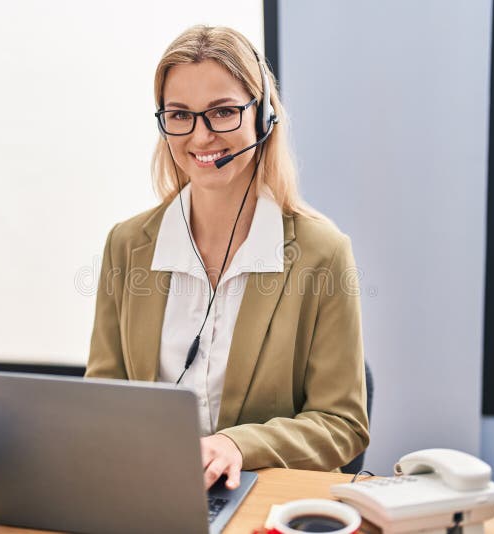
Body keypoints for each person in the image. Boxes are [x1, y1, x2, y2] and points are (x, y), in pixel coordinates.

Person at [85, 25, 369, 491]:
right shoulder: (127, 245)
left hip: (264, 500)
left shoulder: (322, 254)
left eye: (223, 112)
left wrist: (237, 445)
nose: (201, 136)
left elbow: (343, 424)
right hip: (150, 493)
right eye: (180, 114)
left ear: (263, 118)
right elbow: (102, 398)